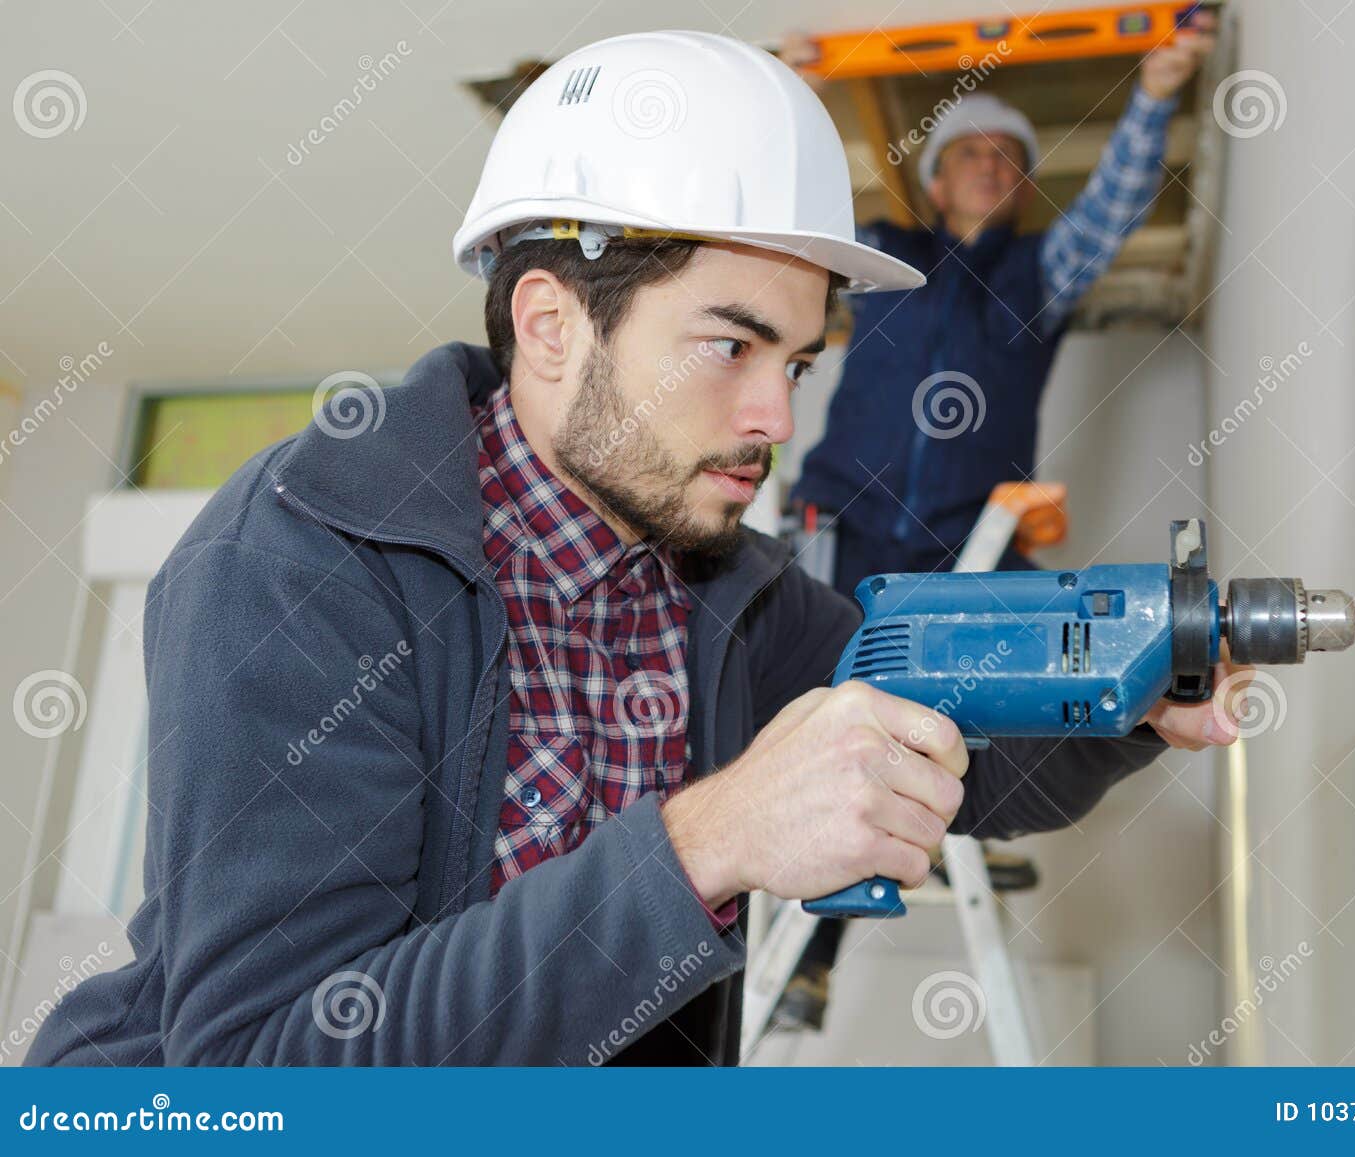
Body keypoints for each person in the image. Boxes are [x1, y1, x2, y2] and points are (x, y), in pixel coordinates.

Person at [27, 30, 1248, 1068]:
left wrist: (1136, 689)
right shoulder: (299, 567)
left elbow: (947, 744)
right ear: (551, 325)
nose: (778, 416)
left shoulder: (729, 586)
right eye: (731, 345)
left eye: (797, 362)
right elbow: (270, 1068)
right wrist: (712, 837)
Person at [773, 14, 1218, 1031]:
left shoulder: (1038, 277)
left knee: (982, 687)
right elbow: (789, 217)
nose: (988, 166)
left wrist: (1153, 94)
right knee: (836, 714)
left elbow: (1104, 212)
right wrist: (797, 95)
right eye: (968, 152)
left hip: (963, 541)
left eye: (1007, 159)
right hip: (846, 517)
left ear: (1021, 187)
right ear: (932, 181)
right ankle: (817, 950)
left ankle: (969, 811)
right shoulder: (880, 258)